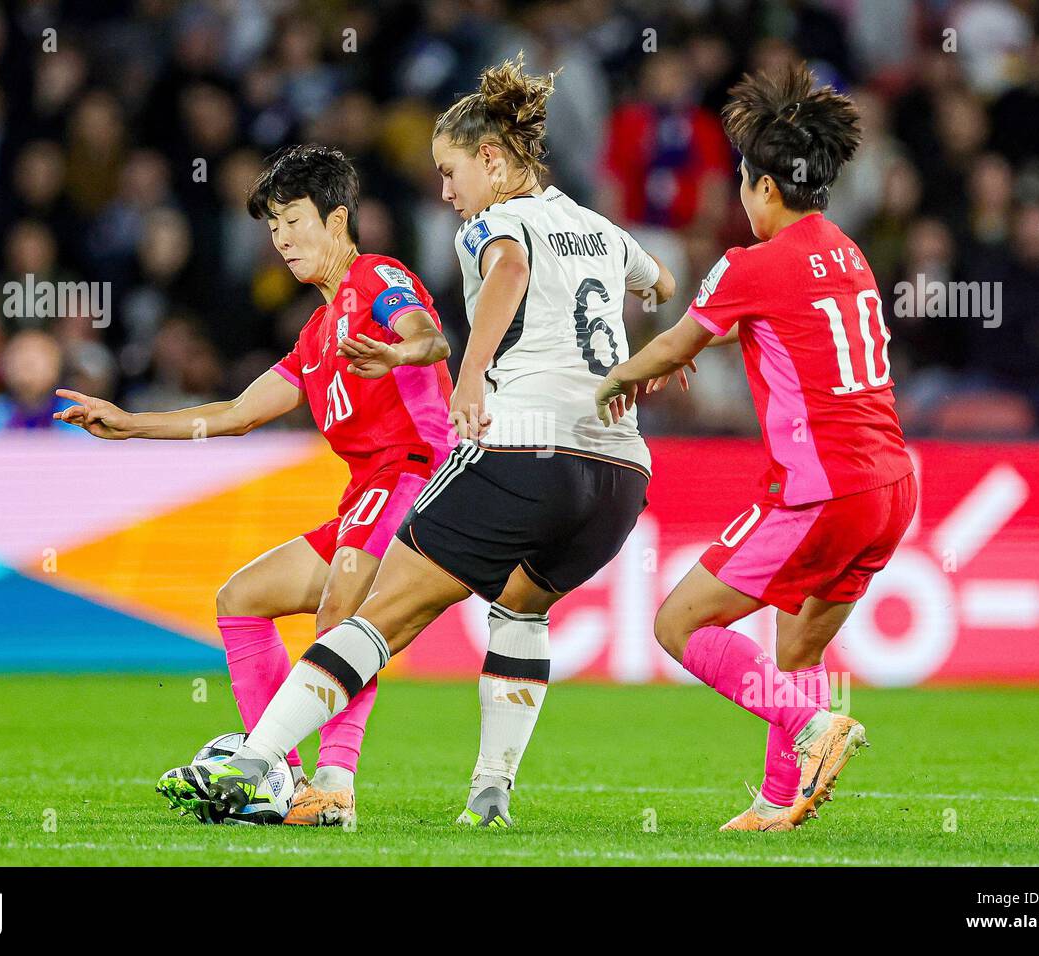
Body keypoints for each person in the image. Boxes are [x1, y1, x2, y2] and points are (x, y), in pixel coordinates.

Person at [162, 57, 676, 829]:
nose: (446, 192)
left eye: (450, 171)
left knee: (373, 620)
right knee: (521, 612)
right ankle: (490, 792)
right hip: (618, 473)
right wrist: (656, 360)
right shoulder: (597, 226)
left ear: (493, 162)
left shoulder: (492, 224)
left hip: (524, 451)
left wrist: (469, 377)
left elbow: (504, 270)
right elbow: (662, 285)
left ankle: (257, 765)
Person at [57, 145, 455, 826]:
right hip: (367, 495)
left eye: (294, 219)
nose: (282, 238)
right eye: (273, 226)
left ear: (337, 219)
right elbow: (237, 414)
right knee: (240, 599)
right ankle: (283, 776)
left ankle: (334, 788)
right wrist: (131, 424)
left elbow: (428, 337)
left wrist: (399, 351)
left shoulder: (375, 276)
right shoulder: (316, 333)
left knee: (339, 620)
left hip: (417, 479)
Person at [595, 63, 916, 832]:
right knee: (796, 650)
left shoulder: (751, 265)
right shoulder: (848, 252)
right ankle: (780, 799)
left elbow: (671, 346)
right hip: (893, 487)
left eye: (743, 181)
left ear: (765, 188)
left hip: (822, 489)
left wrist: (604, 388)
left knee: (679, 624)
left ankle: (812, 730)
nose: (740, 196)